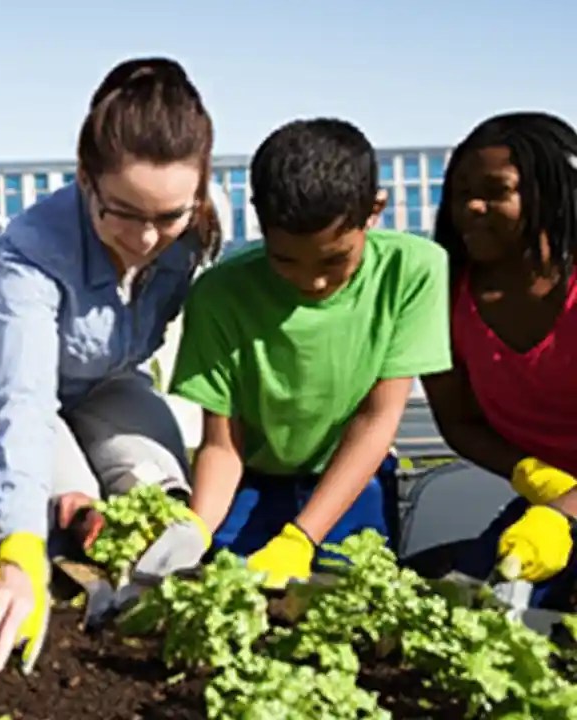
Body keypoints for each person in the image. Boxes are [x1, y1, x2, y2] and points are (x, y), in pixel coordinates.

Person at [0, 57, 219, 676]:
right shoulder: (32, 251)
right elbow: (24, 403)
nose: (148, 238)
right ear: (85, 178)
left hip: (108, 380)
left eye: (169, 216)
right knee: (69, 503)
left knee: (159, 494)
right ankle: (55, 640)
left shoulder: (201, 222)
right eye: (123, 211)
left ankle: (140, 623)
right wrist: (19, 553)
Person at [142, 118, 451, 590]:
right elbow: (224, 446)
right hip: (254, 481)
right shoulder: (220, 296)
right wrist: (196, 530)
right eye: (285, 260)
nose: (313, 281)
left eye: (333, 260)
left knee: (354, 602)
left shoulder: (412, 271)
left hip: (352, 476)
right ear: (259, 220)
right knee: (227, 590)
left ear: (375, 210)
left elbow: (377, 419)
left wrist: (301, 537)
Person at [422, 112, 577, 608]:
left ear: (551, 195)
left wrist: (565, 515)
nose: (471, 205)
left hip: (559, 513)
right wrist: (529, 473)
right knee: (469, 607)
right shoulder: (444, 299)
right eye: (461, 190)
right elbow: (459, 421)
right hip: (545, 502)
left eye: (495, 191)